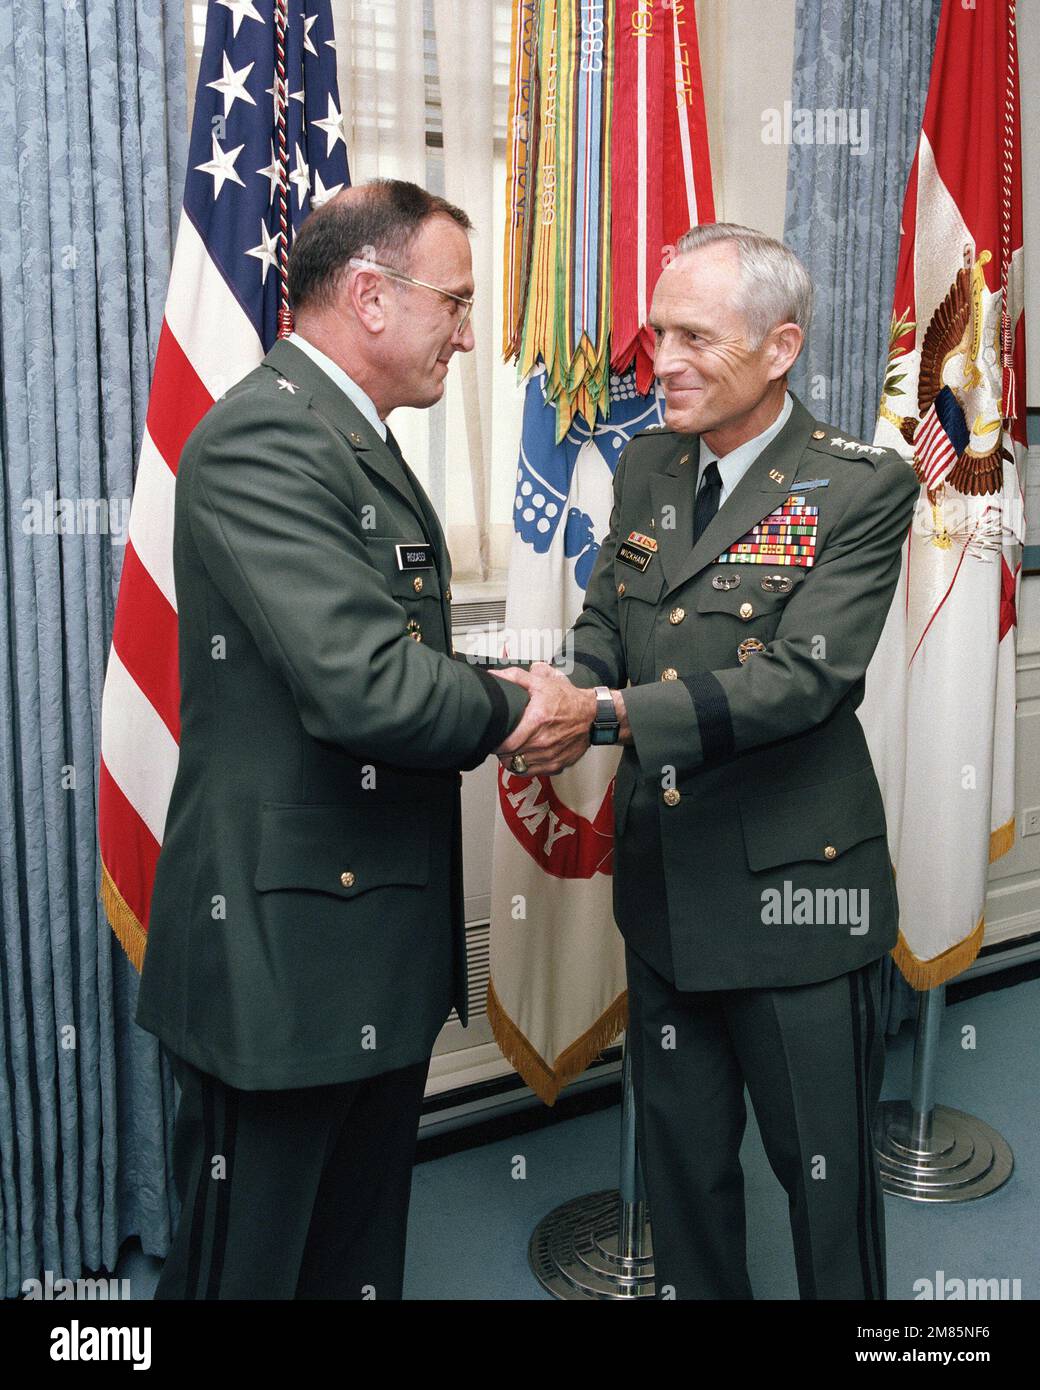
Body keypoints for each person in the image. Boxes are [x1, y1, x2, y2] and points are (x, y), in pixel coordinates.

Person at [136, 180, 550, 1299]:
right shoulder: (266, 436)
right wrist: (524, 707)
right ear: (370, 295)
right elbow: (366, 685)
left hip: (365, 943)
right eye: (455, 303)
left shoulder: (345, 432)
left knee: (351, 1257)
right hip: (281, 959)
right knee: (251, 1267)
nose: (469, 334)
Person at [497, 222, 920, 1299]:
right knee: (682, 1179)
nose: (662, 359)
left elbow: (802, 680)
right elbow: (606, 618)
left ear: (778, 348)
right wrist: (565, 688)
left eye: (693, 335)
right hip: (667, 888)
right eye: (656, 332)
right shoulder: (648, 461)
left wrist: (598, 712)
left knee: (821, 1193)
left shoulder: (856, 486)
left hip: (794, 901)